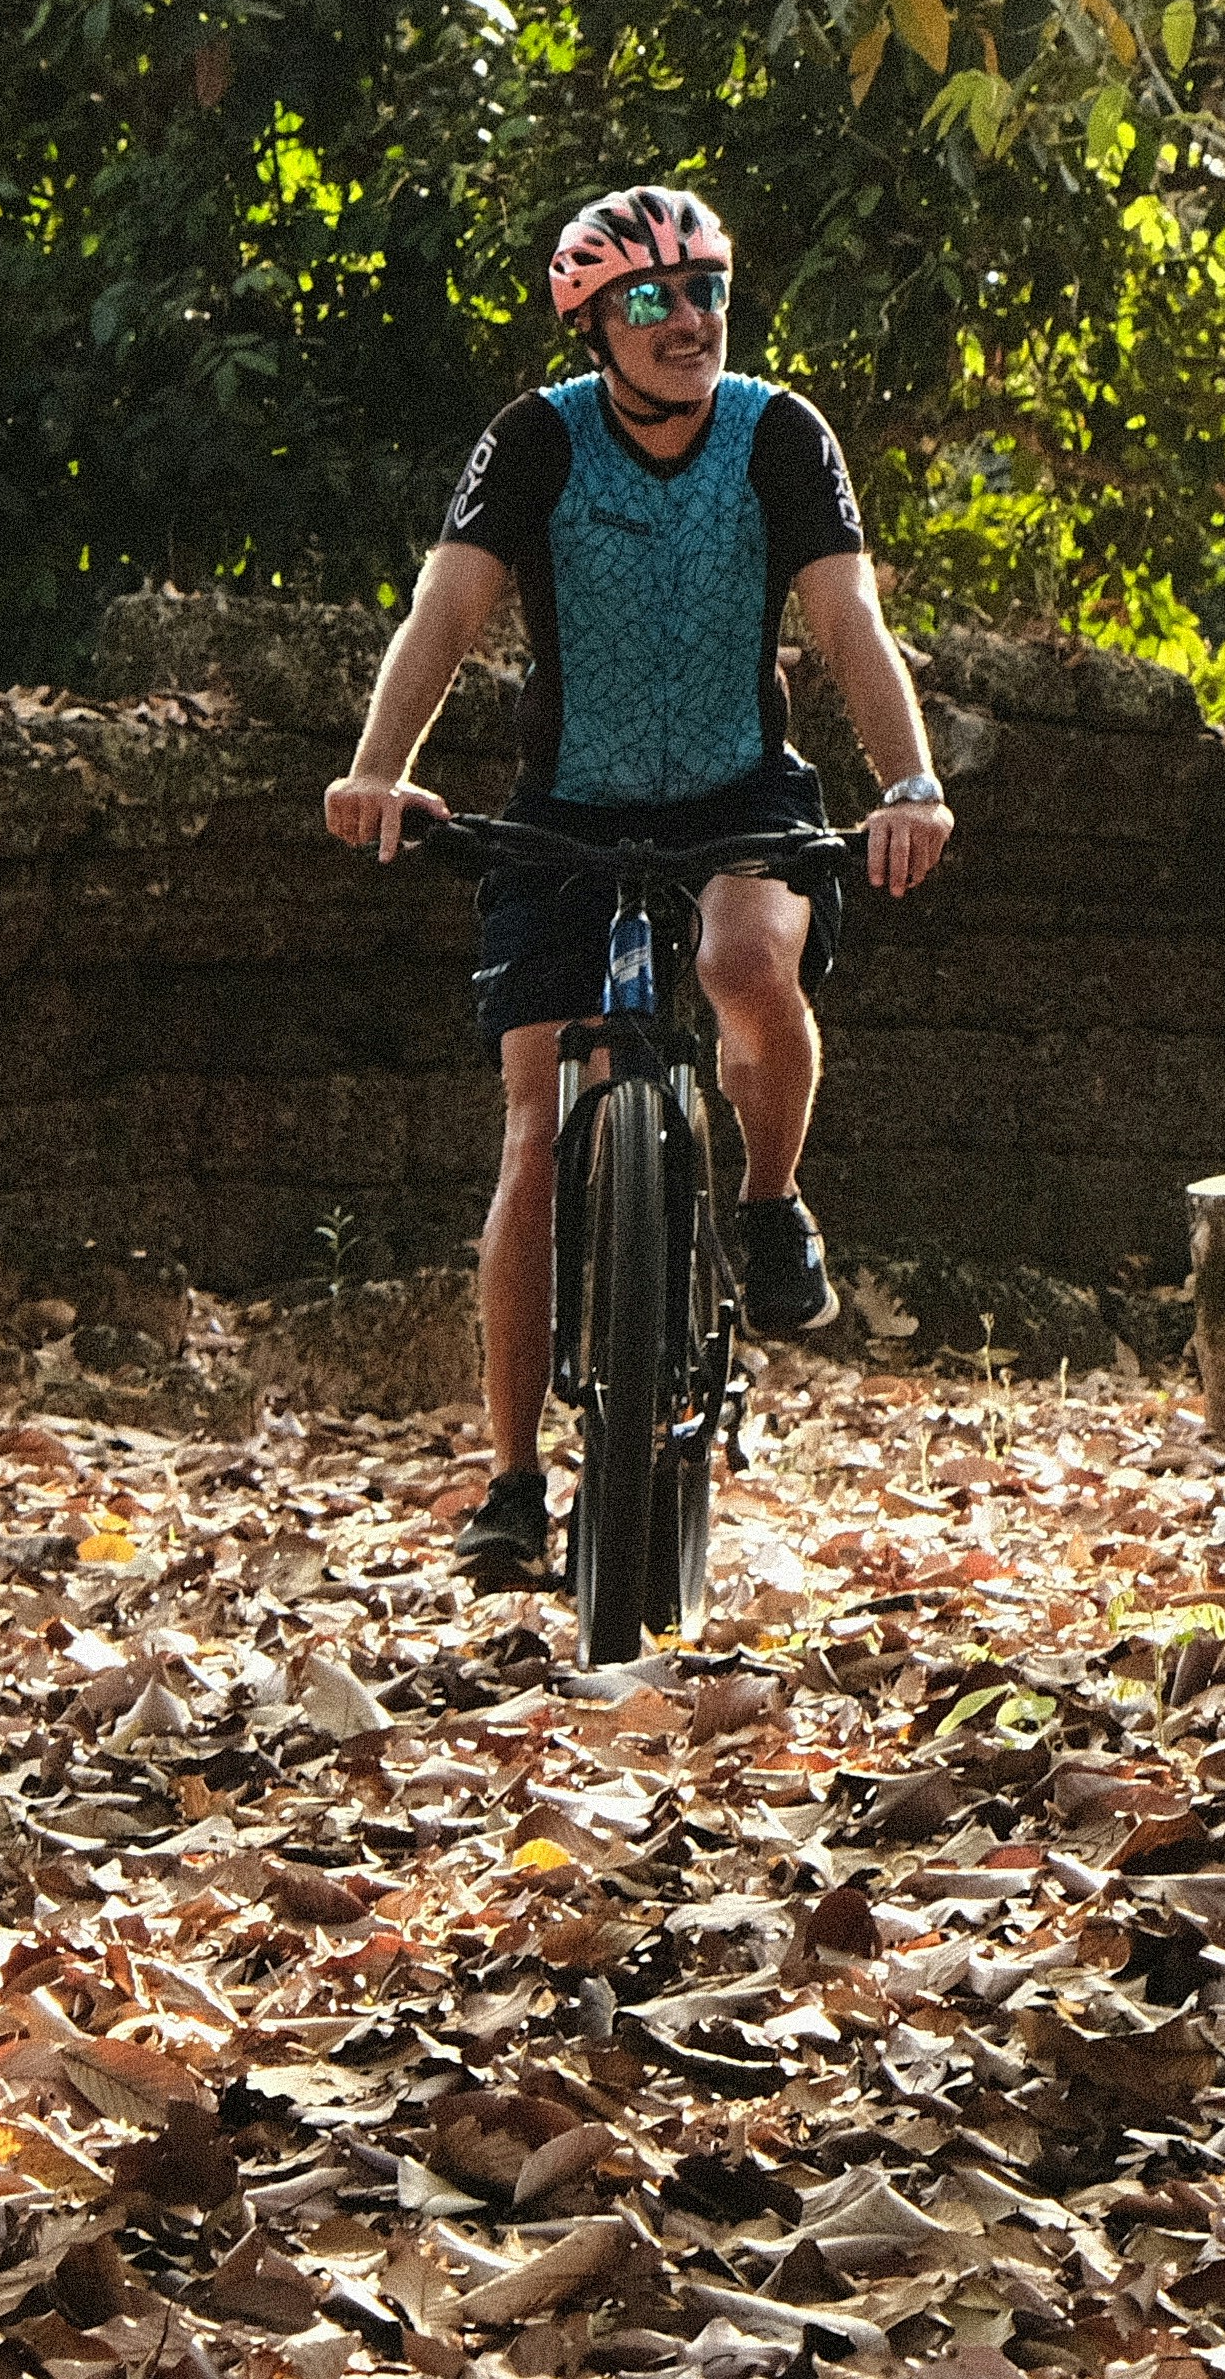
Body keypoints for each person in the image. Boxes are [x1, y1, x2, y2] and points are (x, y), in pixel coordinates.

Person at [324, 183, 956, 1585]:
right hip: (571, 807)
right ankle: (508, 1478)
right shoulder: (536, 444)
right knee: (537, 1119)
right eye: (654, 300)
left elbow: (849, 619)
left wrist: (907, 784)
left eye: (711, 290)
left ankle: (767, 1199)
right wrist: (379, 767)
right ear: (593, 323)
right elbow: (449, 606)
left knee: (744, 966)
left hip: (740, 793)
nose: (691, 322)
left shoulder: (779, 435)